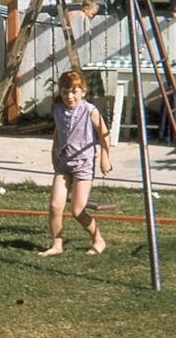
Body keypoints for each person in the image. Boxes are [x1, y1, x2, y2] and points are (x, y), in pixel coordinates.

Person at [38, 69, 112, 257]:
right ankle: (57, 244)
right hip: (63, 162)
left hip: (83, 164)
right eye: (65, 92)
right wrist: (53, 151)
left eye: (74, 92)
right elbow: (58, 131)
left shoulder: (89, 110)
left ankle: (98, 239)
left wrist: (105, 157)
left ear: (83, 91)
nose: (69, 96)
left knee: (77, 210)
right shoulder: (58, 109)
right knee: (55, 205)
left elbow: (104, 135)